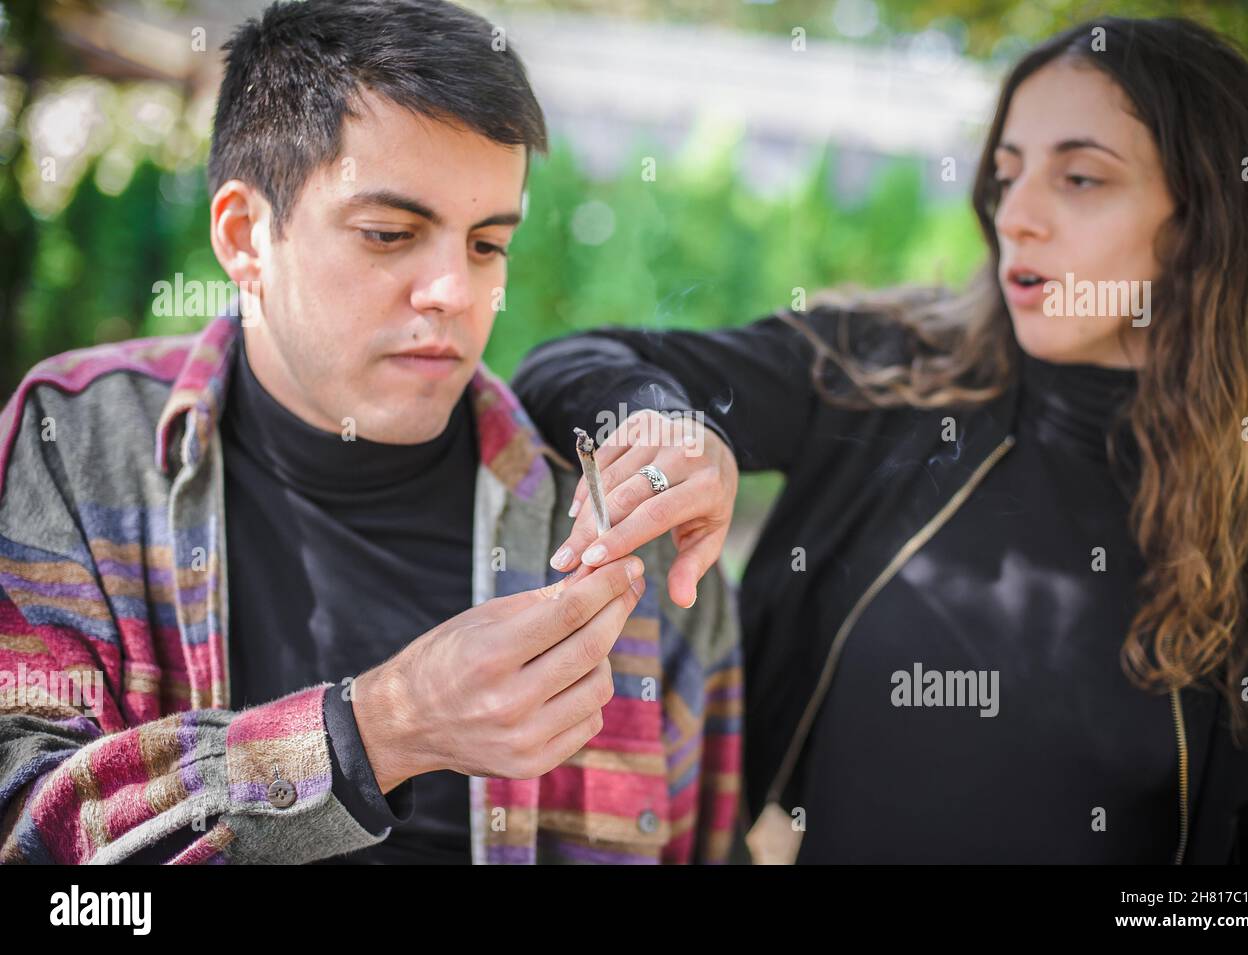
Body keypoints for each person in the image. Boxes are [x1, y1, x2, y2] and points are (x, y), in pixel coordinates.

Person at [514, 17, 1248, 863]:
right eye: (1005, 174)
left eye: (1079, 177)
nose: (1018, 215)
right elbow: (570, 361)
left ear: (1204, 218)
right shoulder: (885, 371)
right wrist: (670, 428)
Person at [0, 0, 740, 865]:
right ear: (244, 237)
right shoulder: (77, 444)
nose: (455, 294)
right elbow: (28, 834)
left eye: (488, 244)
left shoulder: (624, 521)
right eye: (391, 234)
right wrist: (380, 729)